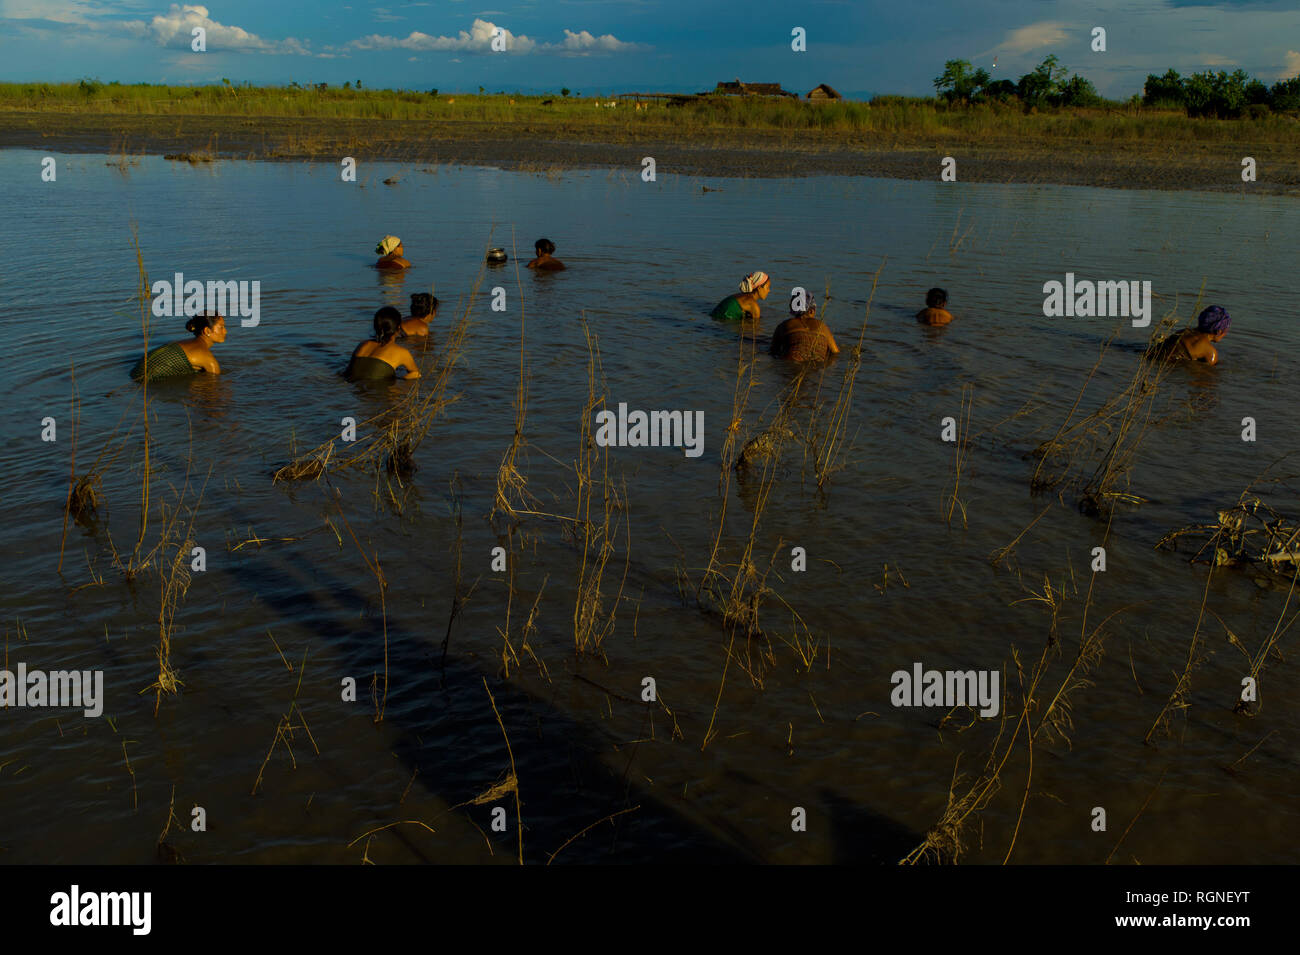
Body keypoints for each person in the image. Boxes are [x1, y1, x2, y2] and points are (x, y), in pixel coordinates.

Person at [130, 313, 226, 382]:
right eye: (221, 327)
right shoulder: (208, 360)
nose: (225, 331)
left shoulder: (186, 343)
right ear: (207, 331)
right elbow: (214, 390)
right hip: (144, 380)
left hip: (136, 371)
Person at [345, 307, 422, 381]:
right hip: (377, 391)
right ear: (398, 328)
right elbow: (416, 374)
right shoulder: (402, 352)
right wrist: (397, 379)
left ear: (375, 327)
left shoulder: (362, 344)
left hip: (354, 388)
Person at [770, 290, 840, 362]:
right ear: (811, 311)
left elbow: (773, 350)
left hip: (791, 362)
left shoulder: (784, 325)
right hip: (816, 365)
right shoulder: (822, 327)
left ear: (792, 308)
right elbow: (835, 353)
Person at [1148, 306, 1231, 364]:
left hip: (1151, 356)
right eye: (1226, 329)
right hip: (1167, 366)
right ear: (1219, 331)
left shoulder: (1184, 331)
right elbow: (1208, 376)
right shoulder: (1210, 352)